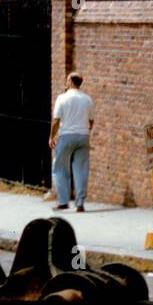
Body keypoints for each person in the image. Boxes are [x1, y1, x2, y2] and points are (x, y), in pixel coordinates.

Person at [49, 72, 94, 212]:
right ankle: (80, 204)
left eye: (67, 79)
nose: (66, 81)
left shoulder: (62, 98)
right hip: (83, 136)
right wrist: (86, 131)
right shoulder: (87, 99)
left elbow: (56, 120)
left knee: (60, 168)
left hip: (66, 135)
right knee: (81, 170)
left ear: (70, 81)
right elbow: (91, 121)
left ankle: (63, 201)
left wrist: (51, 136)